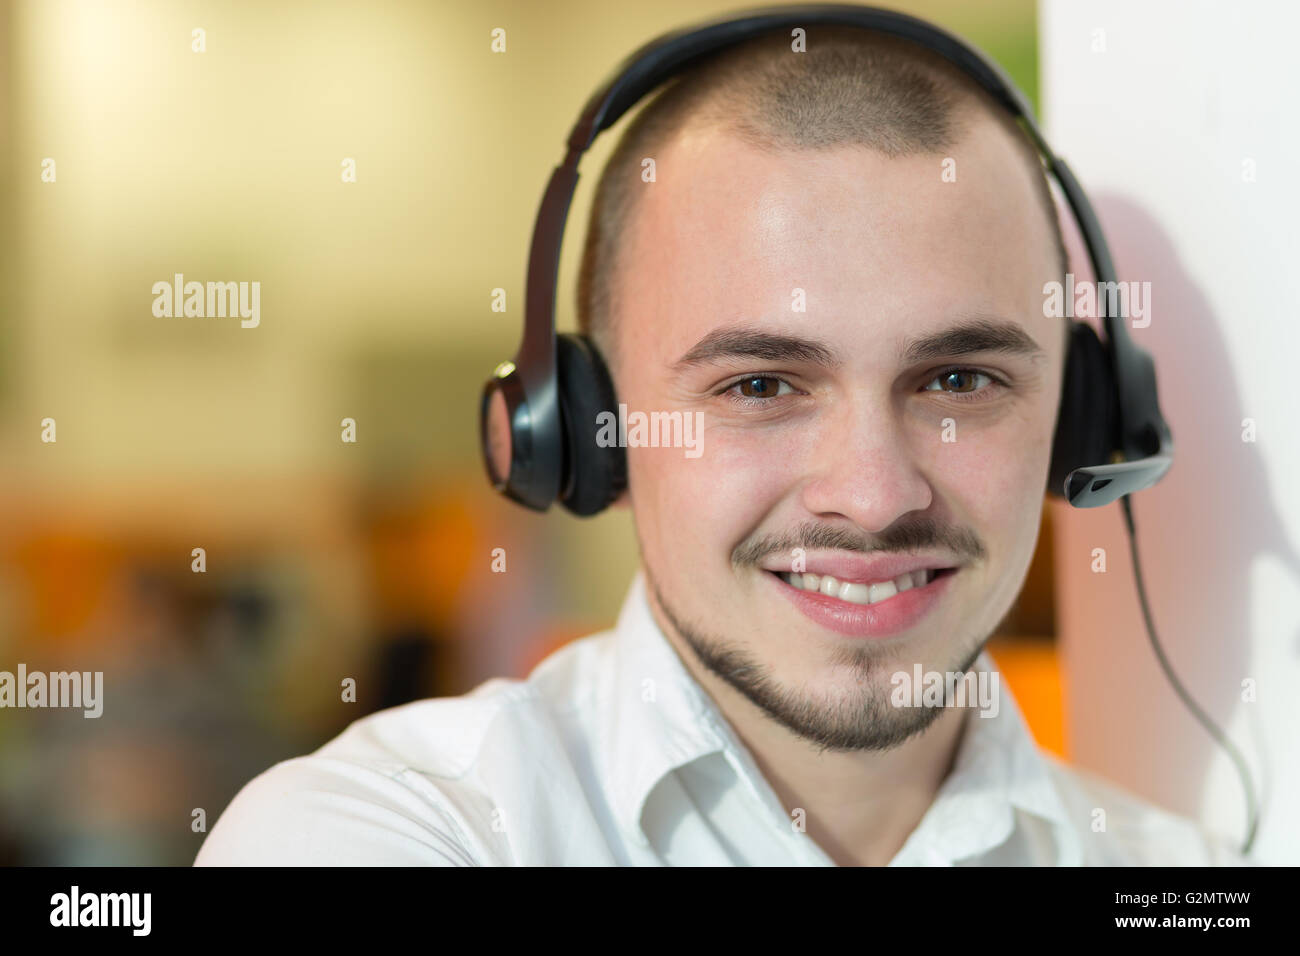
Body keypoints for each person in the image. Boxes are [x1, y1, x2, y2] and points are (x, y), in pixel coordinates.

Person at [196, 23, 1248, 866]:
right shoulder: (389, 833)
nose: (874, 494)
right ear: (584, 431)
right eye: (759, 385)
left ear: (1083, 419)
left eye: (959, 380)